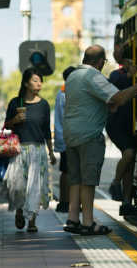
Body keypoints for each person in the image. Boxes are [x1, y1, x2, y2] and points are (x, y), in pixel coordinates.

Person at [63, 45, 137, 236]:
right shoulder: (93, 76)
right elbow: (119, 98)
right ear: (100, 62)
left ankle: (73, 219)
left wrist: (109, 104)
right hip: (88, 135)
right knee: (88, 181)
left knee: (76, 179)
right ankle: (88, 223)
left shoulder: (73, 76)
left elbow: (94, 100)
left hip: (71, 134)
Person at [3, 67, 56, 232]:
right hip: (19, 150)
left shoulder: (44, 105)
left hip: (38, 150)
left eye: (40, 80)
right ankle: (20, 210)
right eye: (35, 80)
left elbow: (47, 131)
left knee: (35, 187)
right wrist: (15, 120)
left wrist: (51, 152)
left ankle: (32, 221)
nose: (39, 83)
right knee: (18, 186)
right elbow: (6, 125)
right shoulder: (15, 102)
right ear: (26, 83)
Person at [106, 44, 137, 216]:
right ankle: (115, 182)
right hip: (116, 123)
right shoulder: (115, 75)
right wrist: (130, 75)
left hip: (131, 123)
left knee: (130, 163)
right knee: (129, 153)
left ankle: (126, 201)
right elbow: (115, 89)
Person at [54, 66, 76, 213]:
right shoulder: (66, 94)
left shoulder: (62, 92)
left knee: (66, 170)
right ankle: (65, 202)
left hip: (64, 137)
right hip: (69, 138)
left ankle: (64, 202)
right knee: (69, 171)